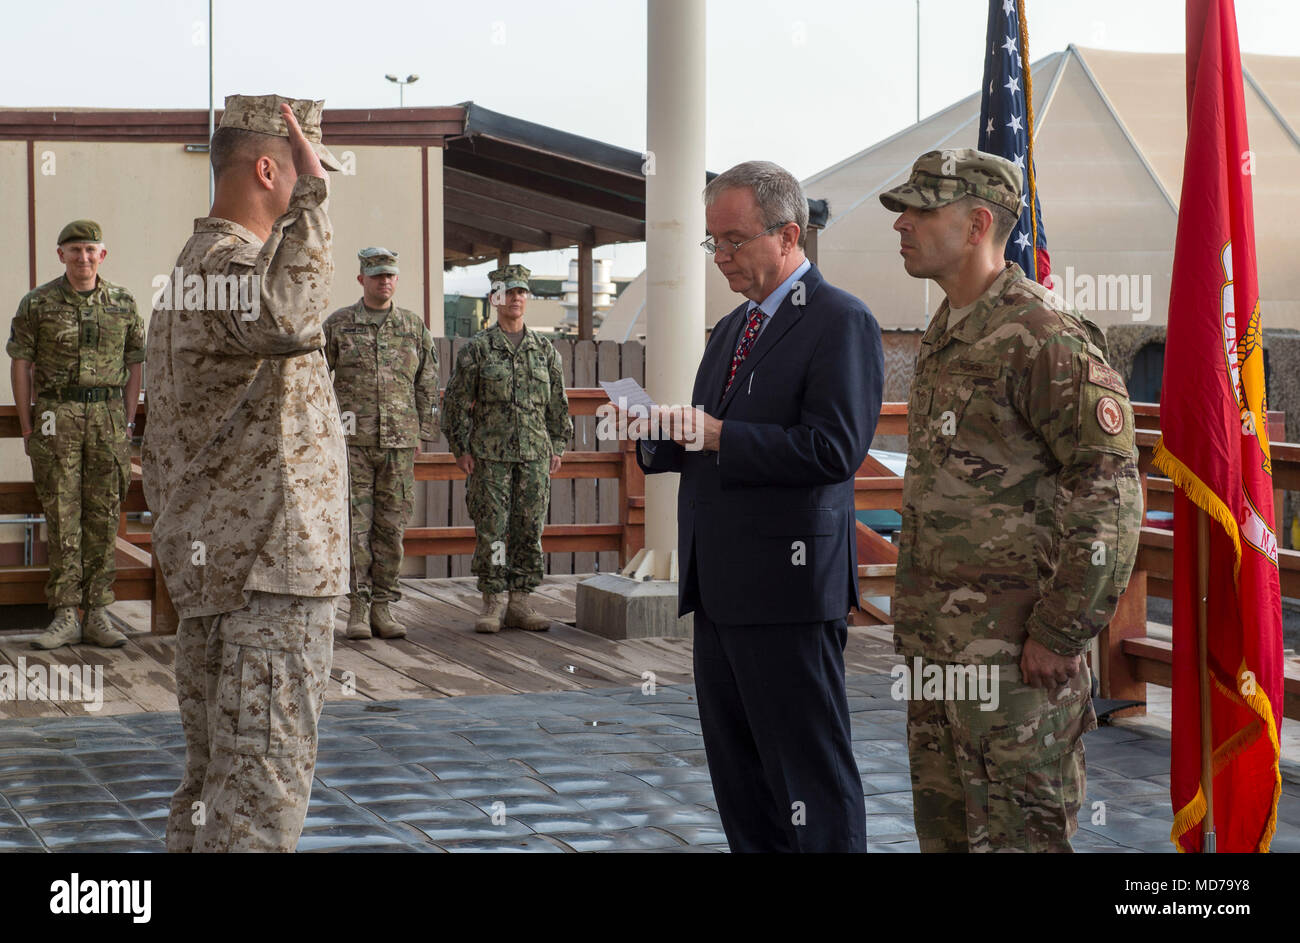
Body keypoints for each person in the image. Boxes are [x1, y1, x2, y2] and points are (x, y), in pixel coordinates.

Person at [882, 148, 1143, 852]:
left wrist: (1061, 631)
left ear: (976, 224)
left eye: (920, 209)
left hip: (1016, 665)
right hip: (942, 657)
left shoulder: (1043, 336)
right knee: (948, 836)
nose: (901, 224)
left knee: (1021, 838)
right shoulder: (945, 330)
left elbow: (1110, 490)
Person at [633, 161, 883, 853]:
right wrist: (661, 436)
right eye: (713, 242)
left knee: (810, 780)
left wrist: (719, 434)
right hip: (718, 590)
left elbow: (833, 450)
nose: (721, 257)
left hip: (789, 593)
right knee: (741, 783)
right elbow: (718, 435)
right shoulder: (730, 329)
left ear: (788, 235)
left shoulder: (841, 322)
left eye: (735, 240)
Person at [142, 94, 347, 853]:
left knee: (212, 791)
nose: (317, 179)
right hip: (267, 577)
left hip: (230, 574)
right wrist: (315, 204)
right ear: (271, 167)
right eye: (308, 165)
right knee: (256, 800)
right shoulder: (227, 268)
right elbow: (292, 317)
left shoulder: (197, 270)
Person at [7, 219, 144, 651]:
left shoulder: (122, 301)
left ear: (101, 255)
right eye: (74, 250)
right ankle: (66, 613)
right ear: (60, 255)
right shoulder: (38, 303)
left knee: (103, 514)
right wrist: (28, 425)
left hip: (106, 416)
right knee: (62, 513)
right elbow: (20, 362)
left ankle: (99, 612)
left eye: (90, 250)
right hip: (56, 415)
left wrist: (126, 420)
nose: (82, 257)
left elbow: (135, 361)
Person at [441, 264, 572, 634]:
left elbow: (557, 405)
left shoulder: (544, 350)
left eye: (521, 292)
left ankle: (521, 600)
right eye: (509, 292)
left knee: (529, 528)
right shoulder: (478, 350)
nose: (516, 298)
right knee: (493, 530)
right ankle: (493, 600)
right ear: (495, 299)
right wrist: (461, 448)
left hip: (533, 456)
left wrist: (557, 444)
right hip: (490, 458)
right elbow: (455, 403)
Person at [324, 247, 440, 641]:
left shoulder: (411, 326)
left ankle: (383, 607)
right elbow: (317, 380)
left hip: (399, 443)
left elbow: (427, 381)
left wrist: (424, 431)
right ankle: (356, 607)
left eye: (390, 275)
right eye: (376, 276)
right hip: (352, 444)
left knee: (391, 527)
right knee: (356, 528)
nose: (384, 281)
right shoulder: (339, 325)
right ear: (361, 280)